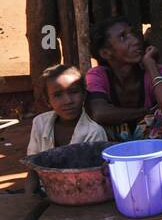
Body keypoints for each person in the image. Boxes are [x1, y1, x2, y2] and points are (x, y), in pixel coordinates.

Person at [85, 17, 162, 146]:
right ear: (105, 53)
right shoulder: (98, 75)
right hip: (115, 147)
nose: (136, 41)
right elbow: (98, 113)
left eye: (133, 34)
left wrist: (151, 65)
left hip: (152, 145)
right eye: (123, 37)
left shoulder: (156, 70)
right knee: (93, 126)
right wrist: (143, 112)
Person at [25, 64, 109, 195]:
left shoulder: (94, 132)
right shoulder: (40, 123)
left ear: (84, 95)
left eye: (74, 92)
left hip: (81, 195)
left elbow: (93, 183)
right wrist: (30, 203)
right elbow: (32, 172)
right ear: (48, 101)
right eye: (58, 95)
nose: (68, 101)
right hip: (44, 194)